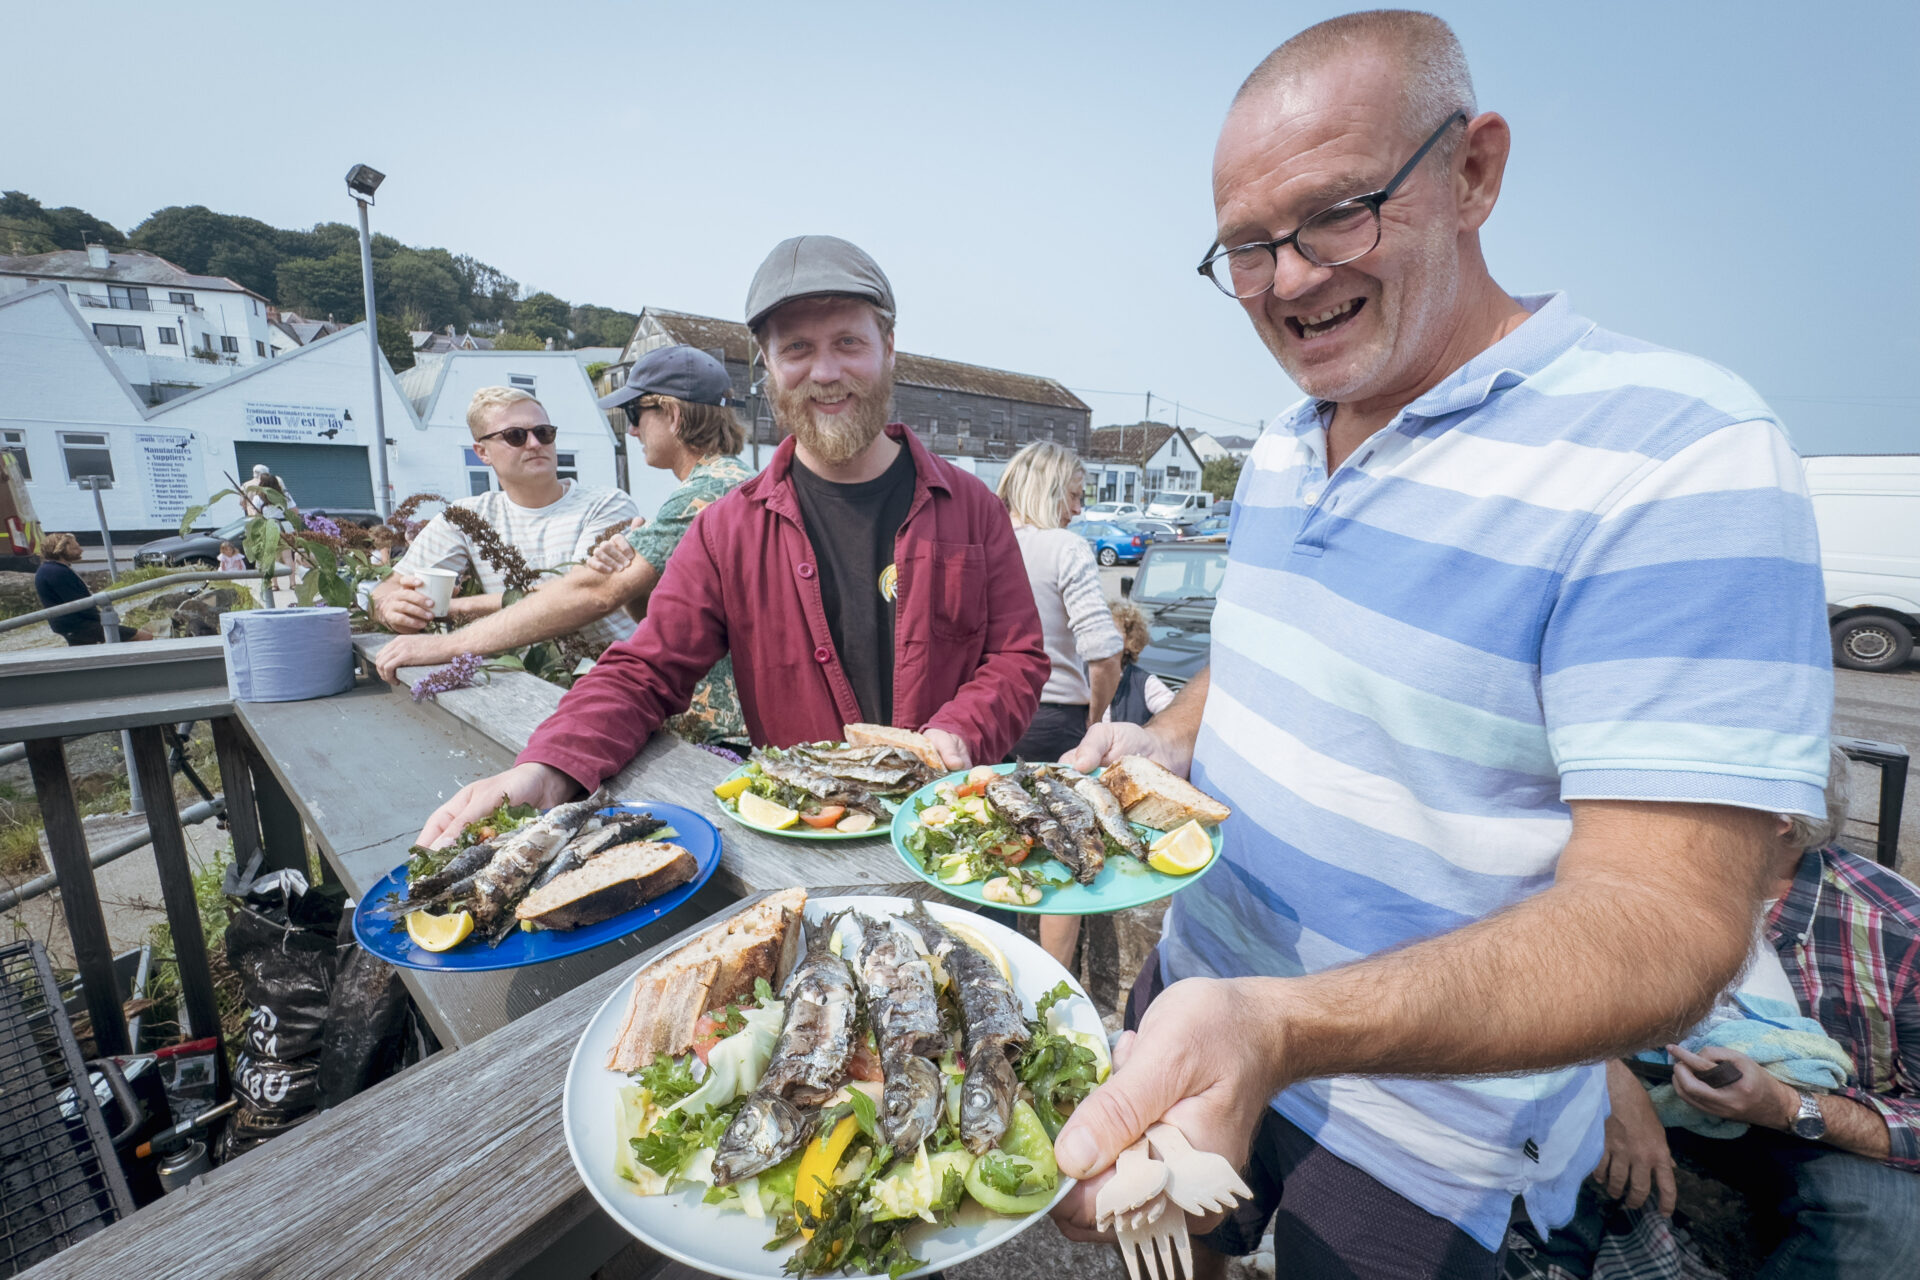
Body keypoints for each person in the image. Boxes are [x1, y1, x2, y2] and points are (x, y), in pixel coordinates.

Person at [1048, 13, 1831, 1279]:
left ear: (1474, 172)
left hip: (1431, 1146)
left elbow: (1670, 919)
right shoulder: (1289, 441)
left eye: (1338, 213)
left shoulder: (1682, 450)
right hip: (1196, 1009)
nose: (1290, 276)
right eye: (1247, 245)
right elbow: (1270, 655)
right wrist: (1159, 735)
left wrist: (1282, 1025)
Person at [414, 234, 1048, 846]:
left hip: (957, 838)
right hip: (804, 844)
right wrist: (549, 766)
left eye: (848, 342)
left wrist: (962, 730)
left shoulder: (972, 508)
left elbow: (1018, 658)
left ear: (888, 345)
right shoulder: (726, 530)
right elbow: (646, 670)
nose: (825, 372)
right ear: (767, 366)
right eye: (797, 348)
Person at [1536, 746, 1920, 1279]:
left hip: (1800, 1126)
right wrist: (1608, 1083)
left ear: (1781, 821)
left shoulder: (1897, 929)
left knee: (1893, 1221)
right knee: (1531, 1135)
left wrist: (1786, 1106)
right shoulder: (1631, 876)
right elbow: (1539, 986)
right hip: (1640, 1089)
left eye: (1695, 794)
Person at [375, 347, 753, 749]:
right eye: (516, 436)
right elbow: (661, 614)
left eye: (634, 415)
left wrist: (443, 643)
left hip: (727, 735)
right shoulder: (721, 483)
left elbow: (591, 593)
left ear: (673, 416)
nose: (632, 432)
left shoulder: (710, 491)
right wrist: (638, 584)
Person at [367, 387, 639, 653]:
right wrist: (390, 608)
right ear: (482, 452)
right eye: (515, 436)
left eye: (544, 433)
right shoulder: (467, 517)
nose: (535, 444)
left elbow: (581, 595)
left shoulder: (606, 504)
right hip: (529, 683)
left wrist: (452, 608)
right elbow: (385, 590)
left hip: (618, 674)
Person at [997, 441, 1125, 967]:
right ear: (1049, 490)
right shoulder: (1065, 547)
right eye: (1074, 495)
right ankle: (1055, 990)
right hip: (1056, 723)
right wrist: (1096, 718)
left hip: (990, 720)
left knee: (995, 849)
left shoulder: (987, 543)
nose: (1079, 510)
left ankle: (997, 974)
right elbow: (1104, 653)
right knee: (1066, 863)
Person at [33, 533, 151, 645]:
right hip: (80, 625)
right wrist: (104, 619)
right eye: (75, 548)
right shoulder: (57, 572)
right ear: (62, 549)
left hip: (69, 625)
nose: (81, 551)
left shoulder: (47, 570)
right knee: (144, 636)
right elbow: (79, 603)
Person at [1102, 600, 1174, 726]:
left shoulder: (1144, 683)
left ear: (1130, 640)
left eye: (1113, 631)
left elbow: (1176, 716)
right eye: (1102, 629)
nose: (1105, 636)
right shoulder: (1082, 676)